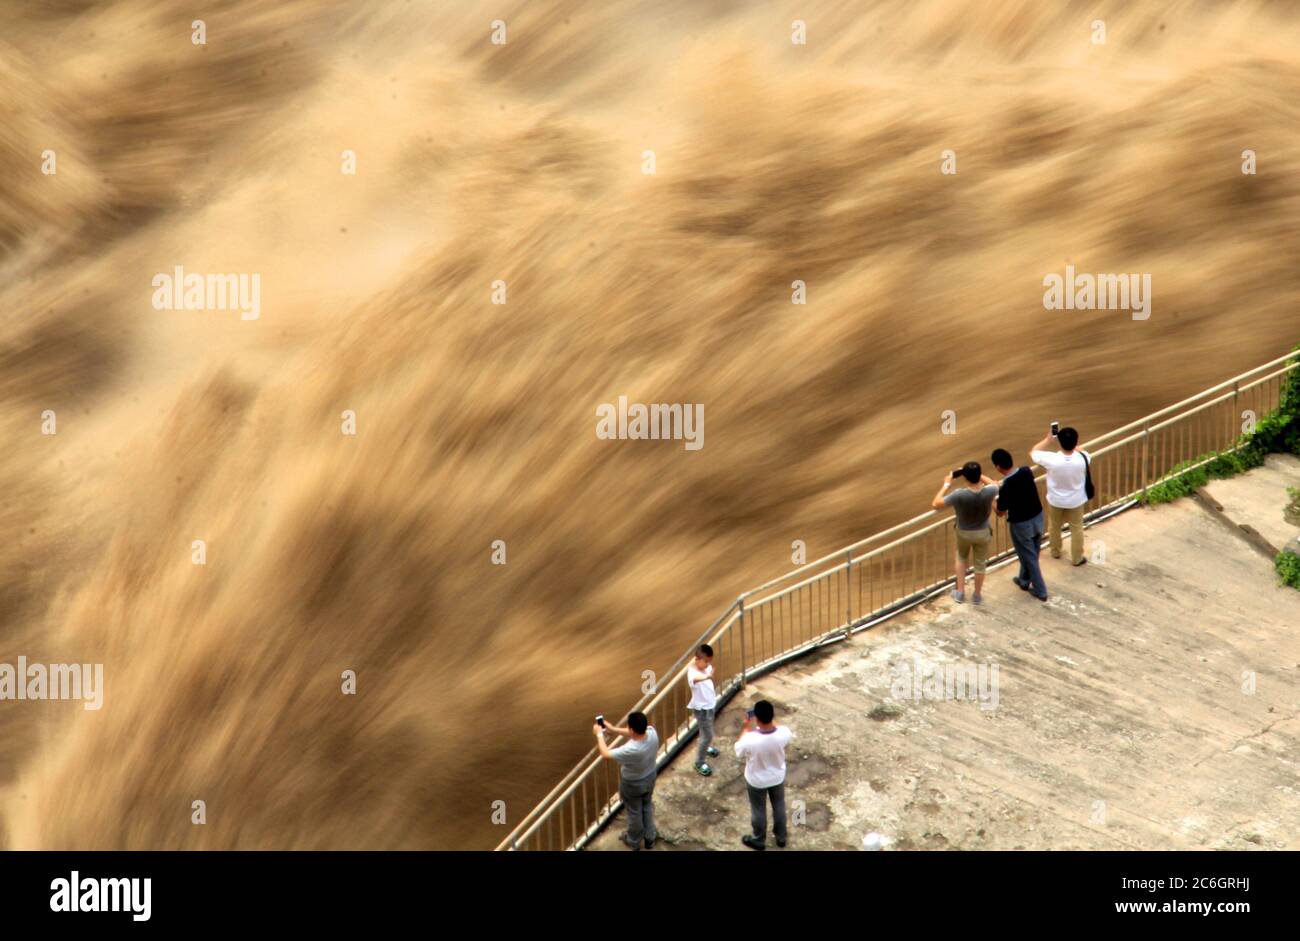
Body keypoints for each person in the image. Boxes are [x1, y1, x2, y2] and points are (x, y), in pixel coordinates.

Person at [931, 461, 999, 604]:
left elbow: (936, 503)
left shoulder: (959, 494)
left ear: (965, 477)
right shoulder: (990, 490)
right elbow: (994, 483)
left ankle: (960, 592)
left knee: (961, 558)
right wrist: (977, 474)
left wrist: (946, 484)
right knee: (980, 563)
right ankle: (977, 595)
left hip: (964, 532)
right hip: (983, 532)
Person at [594, 711, 659, 849]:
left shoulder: (631, 749)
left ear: (632, 729)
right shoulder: (652, 732)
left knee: (634, 812)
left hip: (633, 784)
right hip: (650, 776)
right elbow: (634, 733)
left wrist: (599, 734)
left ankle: (633, 841)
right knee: (646, 806)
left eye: (628, 727)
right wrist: (612, 729)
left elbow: (605, 754)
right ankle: (650, 837)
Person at [734, 699, 792, 851]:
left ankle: (759, 839)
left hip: (757, 780)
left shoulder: (750, 739)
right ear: (772, 716)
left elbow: (738, 750)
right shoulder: (784, 732)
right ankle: (781, 837)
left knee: (758, 809)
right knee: (779, 805)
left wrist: (746, 727)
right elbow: (779, 729)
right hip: (777, 776)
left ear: (757, 718)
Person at [991, 448, 1048, 602]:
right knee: (1032, 553)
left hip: (1022, 525)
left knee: (1029, 556)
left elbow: (1000, 512)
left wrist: (992, 500)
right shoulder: (1026, 471)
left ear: (997, 467)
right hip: (1038, 517)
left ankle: (1041, 590)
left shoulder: (1007, 486)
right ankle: (1024, 581)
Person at [1030, 425, 1090, 566]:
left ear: (1060, 442)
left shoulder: (1051, 459)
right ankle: (1077, 558)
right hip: (1076, 500)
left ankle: (1055, 551)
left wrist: (1048, 439)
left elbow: (1033, 452)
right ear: (1076, 442)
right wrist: (1074, 446)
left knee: (1054, 526)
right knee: (1076, 528)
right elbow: (1082, 451)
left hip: (1056, 499)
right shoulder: (1084, 458)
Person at [687, 644, 719, 776]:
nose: (707, 664)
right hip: (702, 709)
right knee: (708, 735)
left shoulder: (705, 667)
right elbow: (695, 679)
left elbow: (705, 669)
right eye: (705, 661)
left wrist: (707, 671)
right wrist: (707, 676)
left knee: (706, 731)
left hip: (710, 705)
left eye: (709, 661)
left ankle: (704, 747)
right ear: (697, 659)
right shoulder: (692, 673)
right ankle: (699, 762)